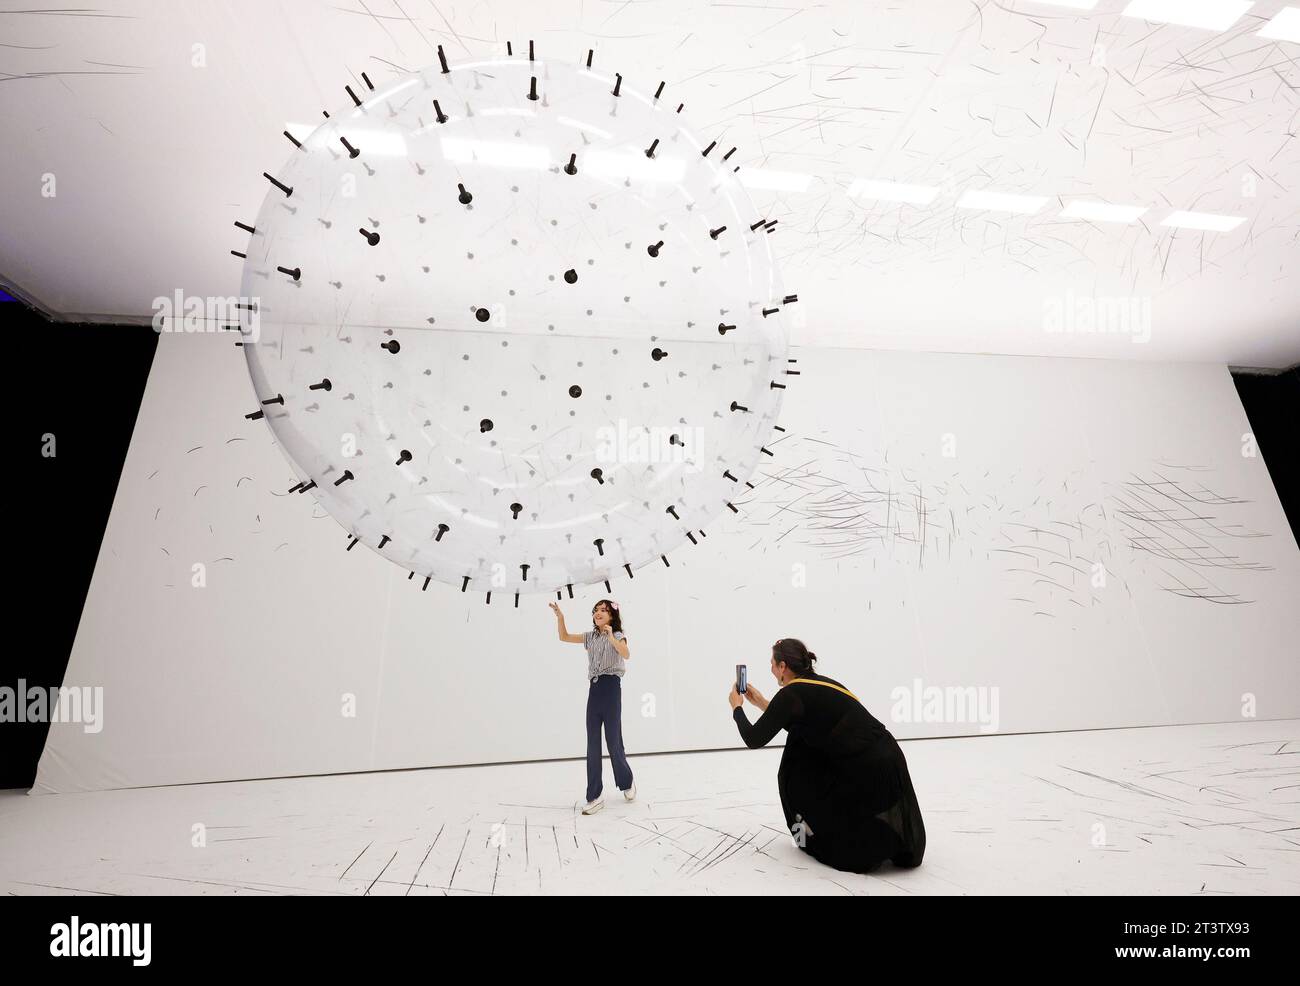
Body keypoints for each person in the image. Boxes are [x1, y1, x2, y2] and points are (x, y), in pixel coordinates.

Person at [729, 638, 925, 873]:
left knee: (793, 772)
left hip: (865, 771)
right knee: (803, 747)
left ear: (783, 667)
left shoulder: (791, 693)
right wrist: (761, 702)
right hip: (889, 760)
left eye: (772, 664)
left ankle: (807, 839)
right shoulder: (822, 683)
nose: (770, 669)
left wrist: (737, 707)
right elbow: (807, 724)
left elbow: (753, 739)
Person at [551, 599, 636, 814]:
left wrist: (610, 636)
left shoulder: (616, 635)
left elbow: (626, 654)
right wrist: (561, 618)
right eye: (596, 610)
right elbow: (564, 637)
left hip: (611, 688)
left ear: (612, 616)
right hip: (595, 690)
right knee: (592, 743)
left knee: (613, 740)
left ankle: (626, 781)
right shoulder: (590, 637)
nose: (598, 613)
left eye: (604, 610)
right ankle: (594, 795)